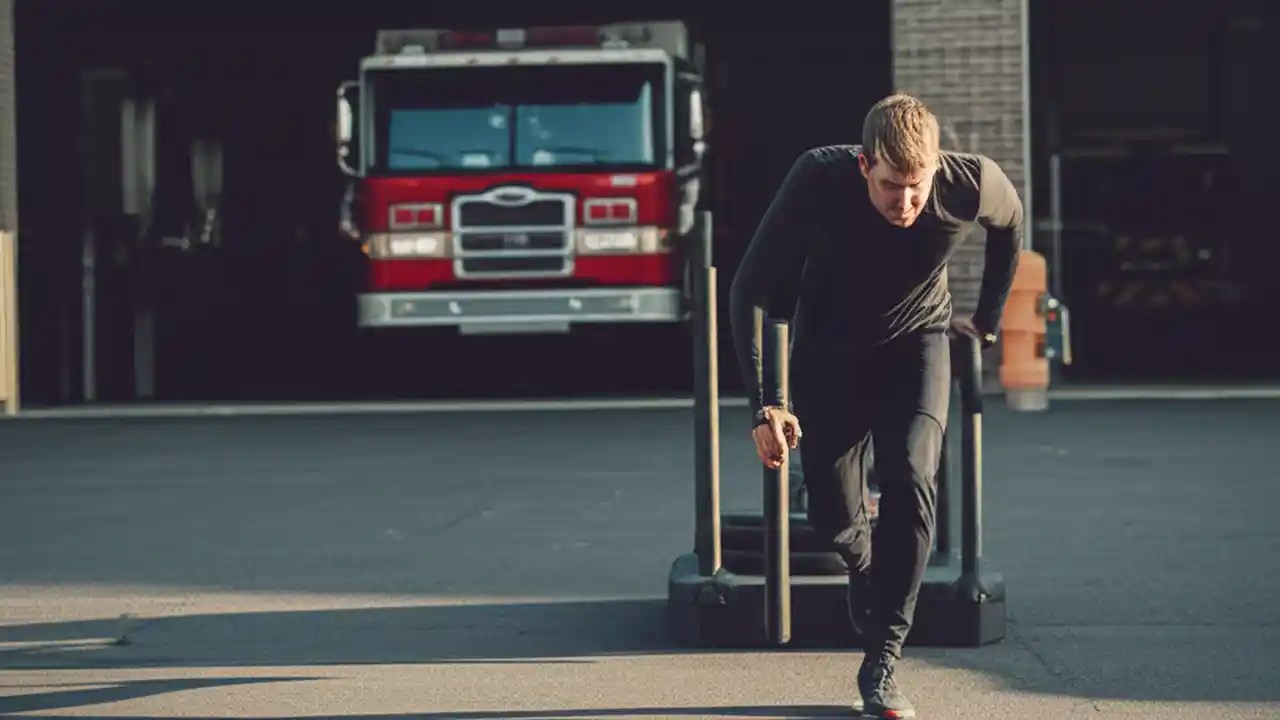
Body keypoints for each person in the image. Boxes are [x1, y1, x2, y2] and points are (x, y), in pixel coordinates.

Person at [728, 93, 1023, 719]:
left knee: (912, 476)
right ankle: (865, 565)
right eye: (891, 185)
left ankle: (882, 659)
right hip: (828, 355)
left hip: (918, 345)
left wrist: (987, 322)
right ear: (865, 165)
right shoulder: (818, 177)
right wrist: (768, 403)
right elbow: (749, 286)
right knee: (834, 520)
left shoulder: (968, 182)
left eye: (917, 187)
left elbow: (1012, 222)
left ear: (935, 167)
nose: (905, 202)